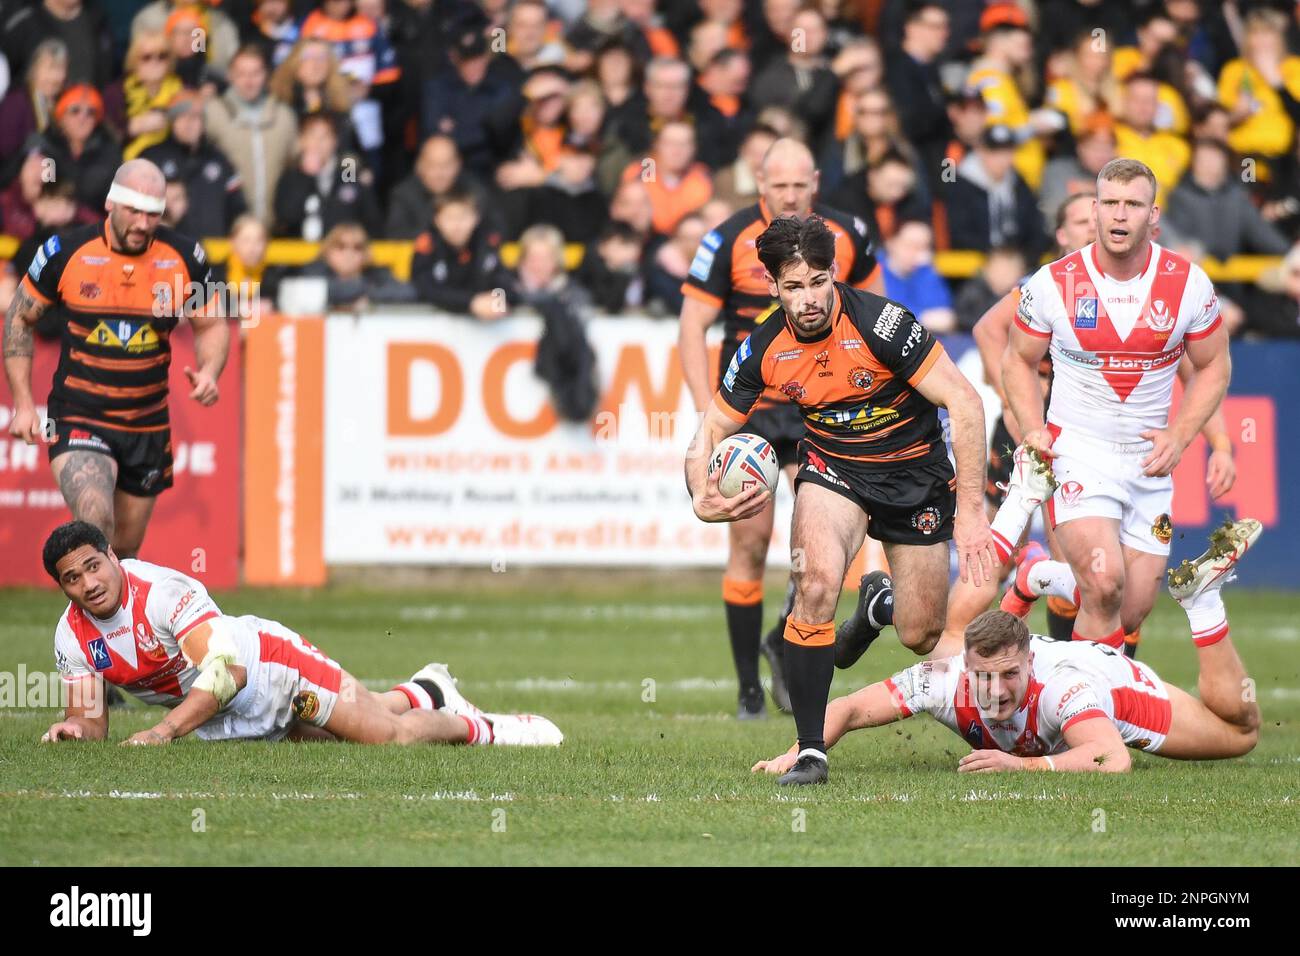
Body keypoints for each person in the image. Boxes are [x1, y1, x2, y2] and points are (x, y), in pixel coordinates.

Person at [683, 214, 995, 785]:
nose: (809, 299)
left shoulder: (882, 323)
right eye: (794, 286)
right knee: (817, 584)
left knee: (921, 634)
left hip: (915, 475)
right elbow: (709, 432)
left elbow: (966, 402)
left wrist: (972, 511)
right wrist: (699, 492)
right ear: (773, 286)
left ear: (834, 275)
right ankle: (811, 751)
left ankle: (877, 609)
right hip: (834, 469)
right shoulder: (763, 344)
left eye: (819, 281)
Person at [753, 519, 1262, 776]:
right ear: (967, 669)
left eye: (1007, 676)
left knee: (1240, 734)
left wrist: (1023, 766)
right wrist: (801, 750)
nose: (993, 690)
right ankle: (1025, 577)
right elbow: (848, 708)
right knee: (940, 637)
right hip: (1067, 664)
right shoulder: (945, 680)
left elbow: (1111, 758)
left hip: (1118, 685)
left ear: (1029, 666)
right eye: (983, 676)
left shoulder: (1061, 689)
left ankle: (1202, 605)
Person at [678, 137, 882, 721]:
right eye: (779, 185)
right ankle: (748, 689)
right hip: (754, 405)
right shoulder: (727, 238)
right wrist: (708, 416)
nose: (790, 195)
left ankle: (786, 636)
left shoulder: (848, 234)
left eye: (799, 185)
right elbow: (692, 325)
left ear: (814, 181)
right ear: (759, 184)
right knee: (749, 537)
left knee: (829, 535)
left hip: (822, 399)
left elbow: (879, 309)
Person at [38, 520, 562, 747]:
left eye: (93, 566)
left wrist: (163, 731)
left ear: (113, 556)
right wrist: (73, 731)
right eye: (73, 578)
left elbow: (228, 673)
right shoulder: (71, 636)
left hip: (274, 672)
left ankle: (484, 728)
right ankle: (424, 691)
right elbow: (91, 721)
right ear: (63, 588)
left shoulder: (163, 593)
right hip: (223, 717)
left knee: (387, 737)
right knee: (347, 730)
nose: (90, 583)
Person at [1001, 158, 1230, 650]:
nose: (1119, 215)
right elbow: (1016, 361)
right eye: (1110, 203)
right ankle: (1082, 719)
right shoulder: (1053, 282)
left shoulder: (1187, 283)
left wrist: (1181, 435)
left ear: (1154, 216)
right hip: (1078, 451)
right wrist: (1031, 428)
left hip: (1148, 465)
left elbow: (1214, 366)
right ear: (1096, 209)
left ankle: (1038, 576)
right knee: (1104, 585)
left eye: (1133, 204)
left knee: (1129, 610)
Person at [3, 158, 228, 559]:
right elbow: (19, 317)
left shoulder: (186, 256)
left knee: (122, 554)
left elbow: (211, 325)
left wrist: (211, 371)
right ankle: (78, 623)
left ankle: (113, 621)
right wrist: (22, 403)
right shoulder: (65, 252)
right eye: (134, 211)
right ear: (111, 204)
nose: (143, 223)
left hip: (147, 425)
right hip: (79, 415)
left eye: (152, 214)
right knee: (95, 523)